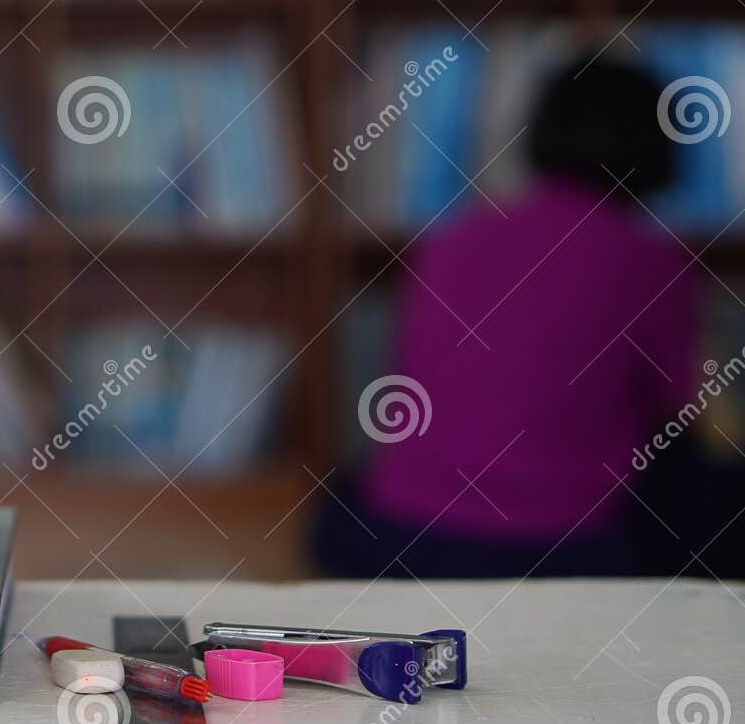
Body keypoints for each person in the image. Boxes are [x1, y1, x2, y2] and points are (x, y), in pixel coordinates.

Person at [315, 53, 743, 578]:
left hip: (396, 537)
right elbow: (681, 410)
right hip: (559, 546)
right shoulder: (651, 261)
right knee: (709, 486)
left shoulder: (453, 239)